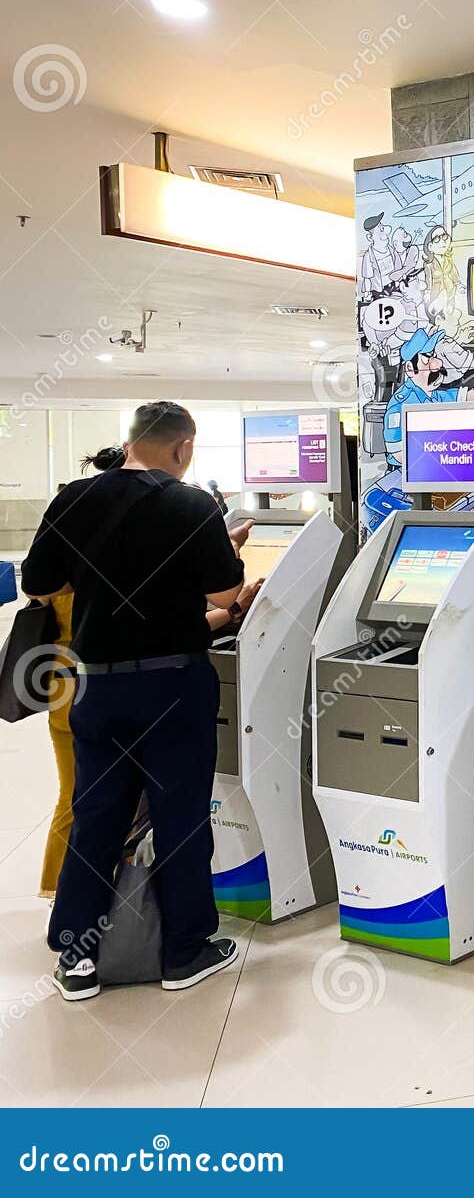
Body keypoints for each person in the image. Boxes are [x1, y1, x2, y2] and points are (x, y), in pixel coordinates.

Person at [22, 402, 248, 1001]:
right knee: (180, 819)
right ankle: (184, 952)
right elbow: (225, 591)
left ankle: (77, 960)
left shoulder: (73, 499)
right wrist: (224, 551)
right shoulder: (192, 504)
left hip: (96, 684)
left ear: (130, 441)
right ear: (182, 447)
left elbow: (40, 585)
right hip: (174, 684)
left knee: (96, 816)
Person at [37, 445, 124, 902]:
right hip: (103, 687)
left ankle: (56, 887)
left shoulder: (54, 561)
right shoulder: (111, 565)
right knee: (113, 799)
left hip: (60, 685)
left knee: (71, 793)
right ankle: (108, 890)